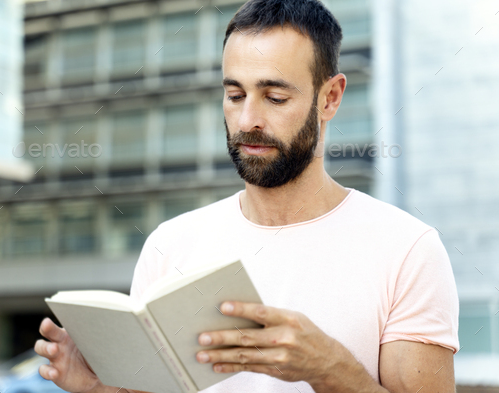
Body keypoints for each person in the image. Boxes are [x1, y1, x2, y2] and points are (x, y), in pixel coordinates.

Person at [35, 0, 459, 392]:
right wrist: (102, 389)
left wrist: (330, 368)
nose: (248, 119)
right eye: (235, 95)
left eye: (275, 97)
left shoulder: (407, 249)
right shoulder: (170, 244)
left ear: (329, 98)